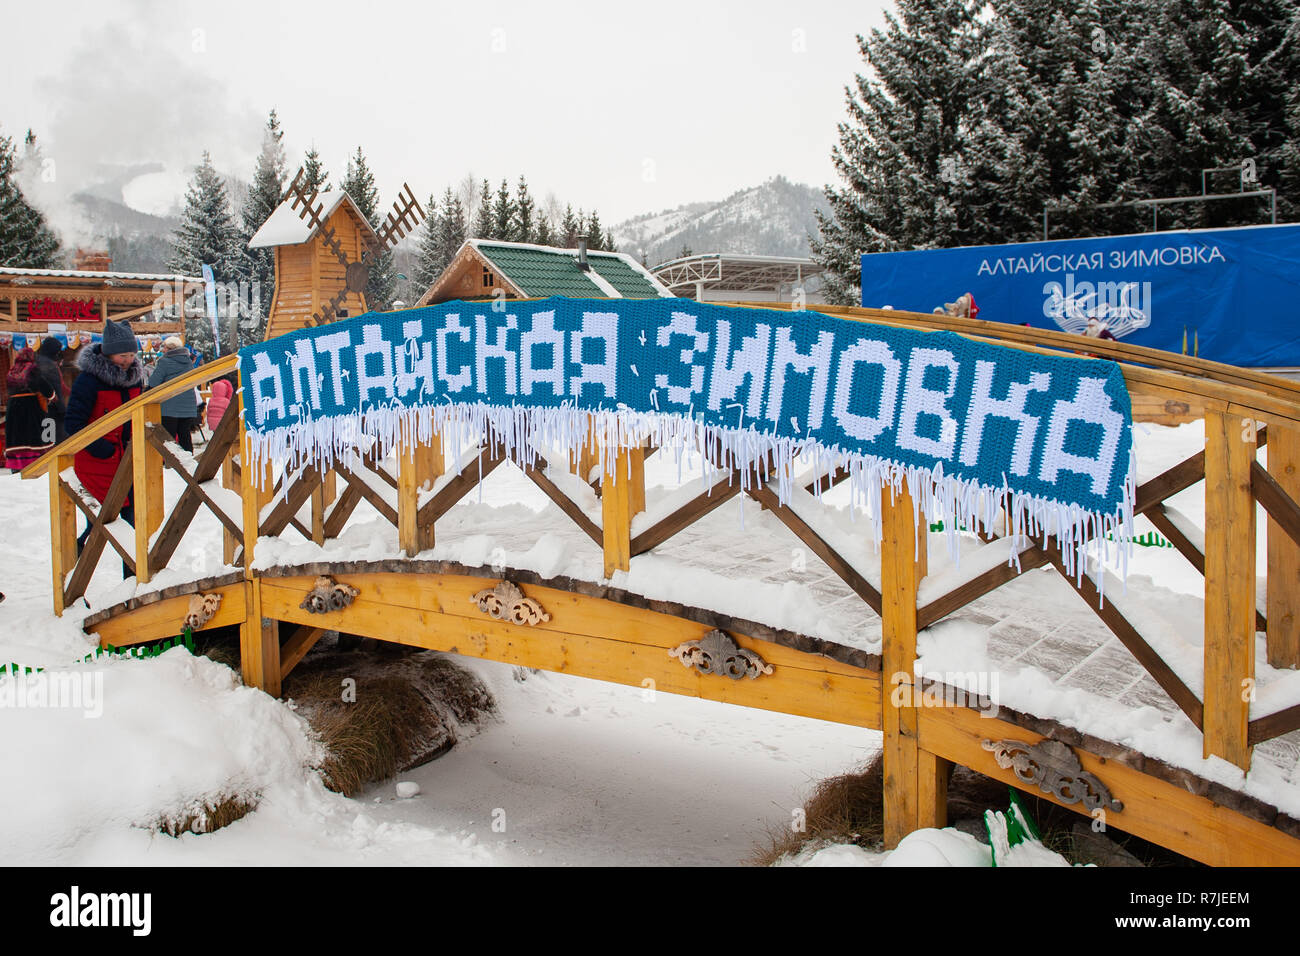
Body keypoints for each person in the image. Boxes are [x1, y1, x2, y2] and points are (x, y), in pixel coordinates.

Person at [65, 320, 145, 558]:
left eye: (131, 354)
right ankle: (78, 554)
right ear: (108, 353)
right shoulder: (88, 381)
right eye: (122, 355)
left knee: (132, 525)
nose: (128, 360)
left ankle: (133, 583)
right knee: (102, 519)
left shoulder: (135, 378)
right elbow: (74, 423)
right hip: (98, 461)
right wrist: (102, 449)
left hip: (129, 461)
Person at [4, 346, 57, 471]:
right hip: (29, 406)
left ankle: (17, 467)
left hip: (13, 407)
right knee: (31, 435)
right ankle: (33, 466)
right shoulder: (32, 369)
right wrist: (52, 396)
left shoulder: (11, 370)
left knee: (17, 435)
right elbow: (43, 385)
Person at [148, 336, 198, 453]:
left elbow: (154, 382)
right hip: (188, 406)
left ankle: (169, 464)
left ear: (169, 348)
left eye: (164, 347)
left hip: (169, 406)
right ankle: (188, 464)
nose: (162, 350)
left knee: (168, 439)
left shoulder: (164, 362)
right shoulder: (188, 362)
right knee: (185, 437)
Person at [34, 336, 67, 442]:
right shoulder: (50, 366)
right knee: (56, 441)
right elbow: (56, 389)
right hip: (51, 409)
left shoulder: (35, 361)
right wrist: (62, 409)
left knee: (44, 439)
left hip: (37, 407)